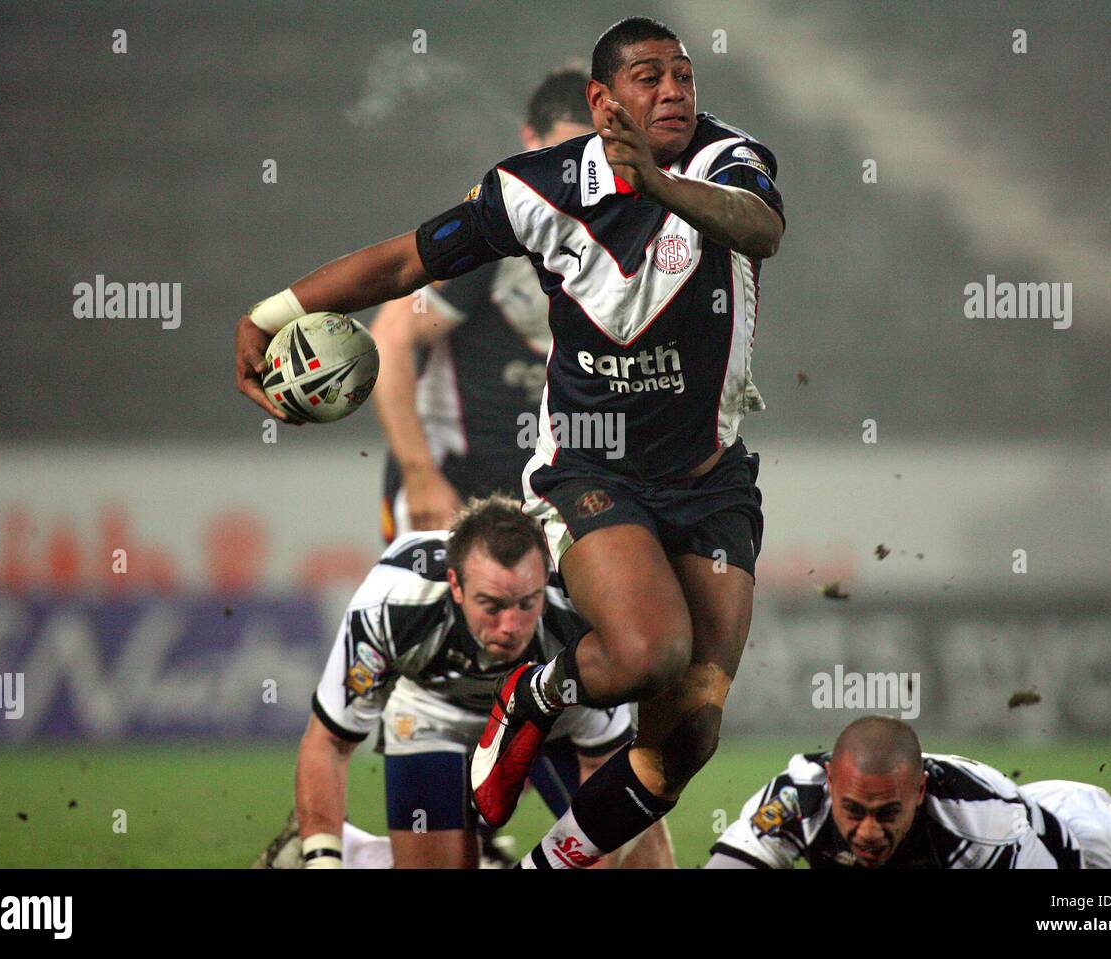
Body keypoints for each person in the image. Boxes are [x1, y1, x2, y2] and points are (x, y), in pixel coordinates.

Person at [234, 15, 783, 869]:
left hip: (713, 481)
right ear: (603, 102)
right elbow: (404, 264)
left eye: (683, 75)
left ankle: (544, 861)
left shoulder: (726, 160)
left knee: (690, 737)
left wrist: (662, 185)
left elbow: (760, 229)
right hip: (590, 469)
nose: (674, 89)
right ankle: (534, 694)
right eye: (649, 77)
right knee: (649, 651)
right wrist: (276, 312)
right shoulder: (535, 188)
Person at [279, 495, 672, 868]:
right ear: (455, 584)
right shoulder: (393, 603)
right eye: (492, 605)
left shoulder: (577, 607)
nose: (511, 626)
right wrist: (323, 858)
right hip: (434, 716)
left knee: (639, 852)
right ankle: (356, 853)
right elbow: (330, 741)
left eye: (525, 603)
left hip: (554, 720)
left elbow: (602, 761)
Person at [371, 69, 595, 540]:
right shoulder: (493, 233)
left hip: (551, 493)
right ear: (529, 141)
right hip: (452, 485)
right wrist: (420, 476)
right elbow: (389, 338)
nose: (573, 180)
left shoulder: (635, 241)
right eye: (561, 158)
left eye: (591, 159)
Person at [706, 716, 1111, 870]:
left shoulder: (986, 835)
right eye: (854, 810)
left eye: (887, 813)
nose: (867, 831)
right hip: (1029, 803)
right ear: (832, 786)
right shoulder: (798, 798)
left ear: (920, 792)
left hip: (1082, 851)